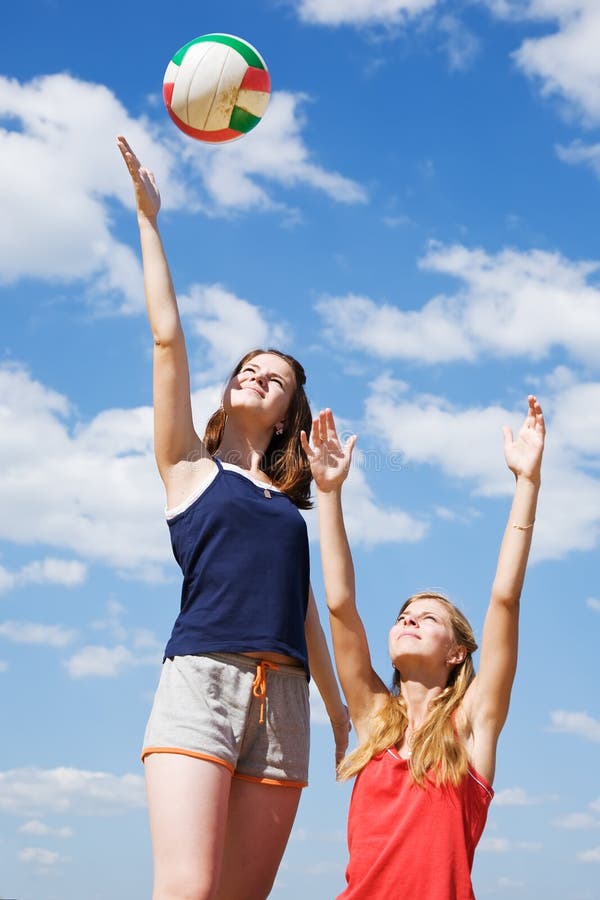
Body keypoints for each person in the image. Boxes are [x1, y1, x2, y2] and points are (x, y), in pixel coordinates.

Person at [116, 136, 349, 900]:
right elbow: (166, 339)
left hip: (283, 704)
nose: (256, 374)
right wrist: (149, 220)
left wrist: (338, 708)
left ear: (288, 415)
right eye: (248, 368)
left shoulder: (289, 508)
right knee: (186, 891)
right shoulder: (188, 467)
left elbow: (305, 609)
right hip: (202, 686)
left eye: (275, 378)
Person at [301, 398, 545, 899]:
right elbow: (341, 607)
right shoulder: (373, 722)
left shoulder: (473, 723)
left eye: (427, 617)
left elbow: (505, 600)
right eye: (403, 616)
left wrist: (527, 483)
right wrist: (328, 493)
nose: (408, 618)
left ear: (457, 652)